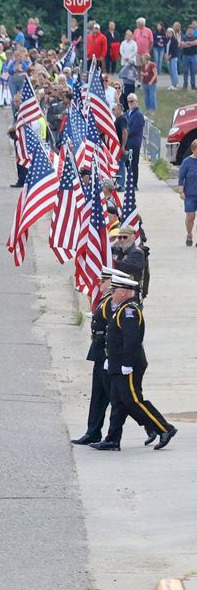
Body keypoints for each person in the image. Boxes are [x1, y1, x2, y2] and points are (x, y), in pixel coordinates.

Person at [90, 275, 178, 451]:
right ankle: (112, 439)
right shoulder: (121, 308)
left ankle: (164, 428)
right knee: (117, 402)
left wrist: (126, 364)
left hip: (127, 365)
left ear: (122, 292)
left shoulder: (129, 311)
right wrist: (110, 360)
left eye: (114, 291)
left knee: (133, 400)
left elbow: (131, 340)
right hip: (117, 363)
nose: (111, 294)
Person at [72, 267, 139, 446]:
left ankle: (152, 427)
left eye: (103, 281)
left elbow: (115, 331)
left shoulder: (115, 303)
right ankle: (93, 431)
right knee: (99, 396)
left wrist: (113, 357)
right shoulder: (107, 300)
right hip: (100, 353)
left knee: (120, 398)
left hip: (109, 356)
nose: (100, 284)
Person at [124, 93, 144, 189]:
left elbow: (134, 130)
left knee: (134, 164)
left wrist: (124, 134)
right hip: (127, 143)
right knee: (127, 163)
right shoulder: (128, 113)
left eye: (132, 101)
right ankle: (129, 182)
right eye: (128, 101)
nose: (130, 103)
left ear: (136, 102)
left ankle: (134, 184)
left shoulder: (138, 115)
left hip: (134, 143)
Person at [179, 141, 197, 246]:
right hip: (190, 194)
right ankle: (189, 234)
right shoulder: (187, 162)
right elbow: (181, 178)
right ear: (193, 149)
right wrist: (181, 191)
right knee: (190, 217)